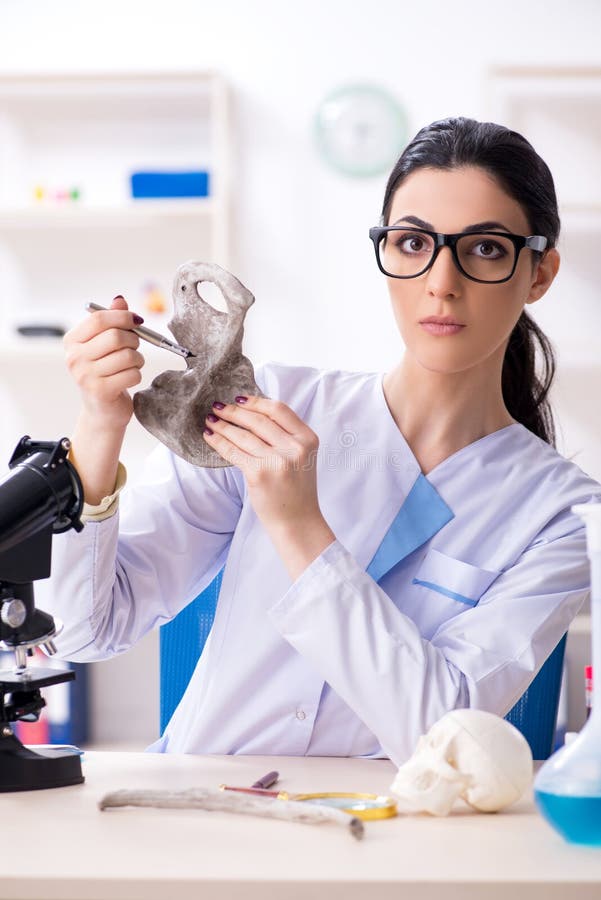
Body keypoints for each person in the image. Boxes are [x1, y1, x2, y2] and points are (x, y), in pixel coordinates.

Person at [39, 117, 601, 765]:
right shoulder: (264, 408)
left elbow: (445, 736)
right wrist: (99, 428)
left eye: (484, 248)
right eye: (413, 242)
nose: (441, 282)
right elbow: (81, 632)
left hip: (383, 841)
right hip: (196, 818)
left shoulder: (562, 516)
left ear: (539, 272)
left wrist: (299, 525)